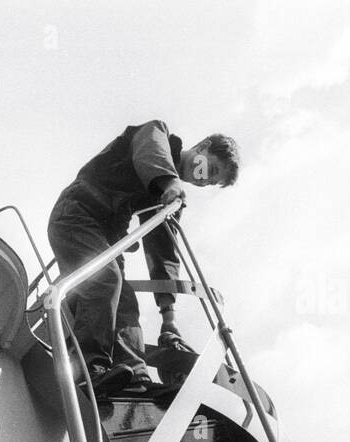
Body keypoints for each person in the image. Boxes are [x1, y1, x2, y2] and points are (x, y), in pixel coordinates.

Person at [47, 121, 240, 392]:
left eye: (211, 182)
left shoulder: (165, 197)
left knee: (125, 304)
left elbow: (163, 251)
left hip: (106, 238)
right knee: (105, 281)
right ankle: (89, 368)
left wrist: (168, 319)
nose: (204, 179)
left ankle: (137, 379)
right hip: (76, 215)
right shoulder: (156, 133)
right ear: (203, 146)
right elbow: (150, 152)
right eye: (212, 169)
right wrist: (170, 181)